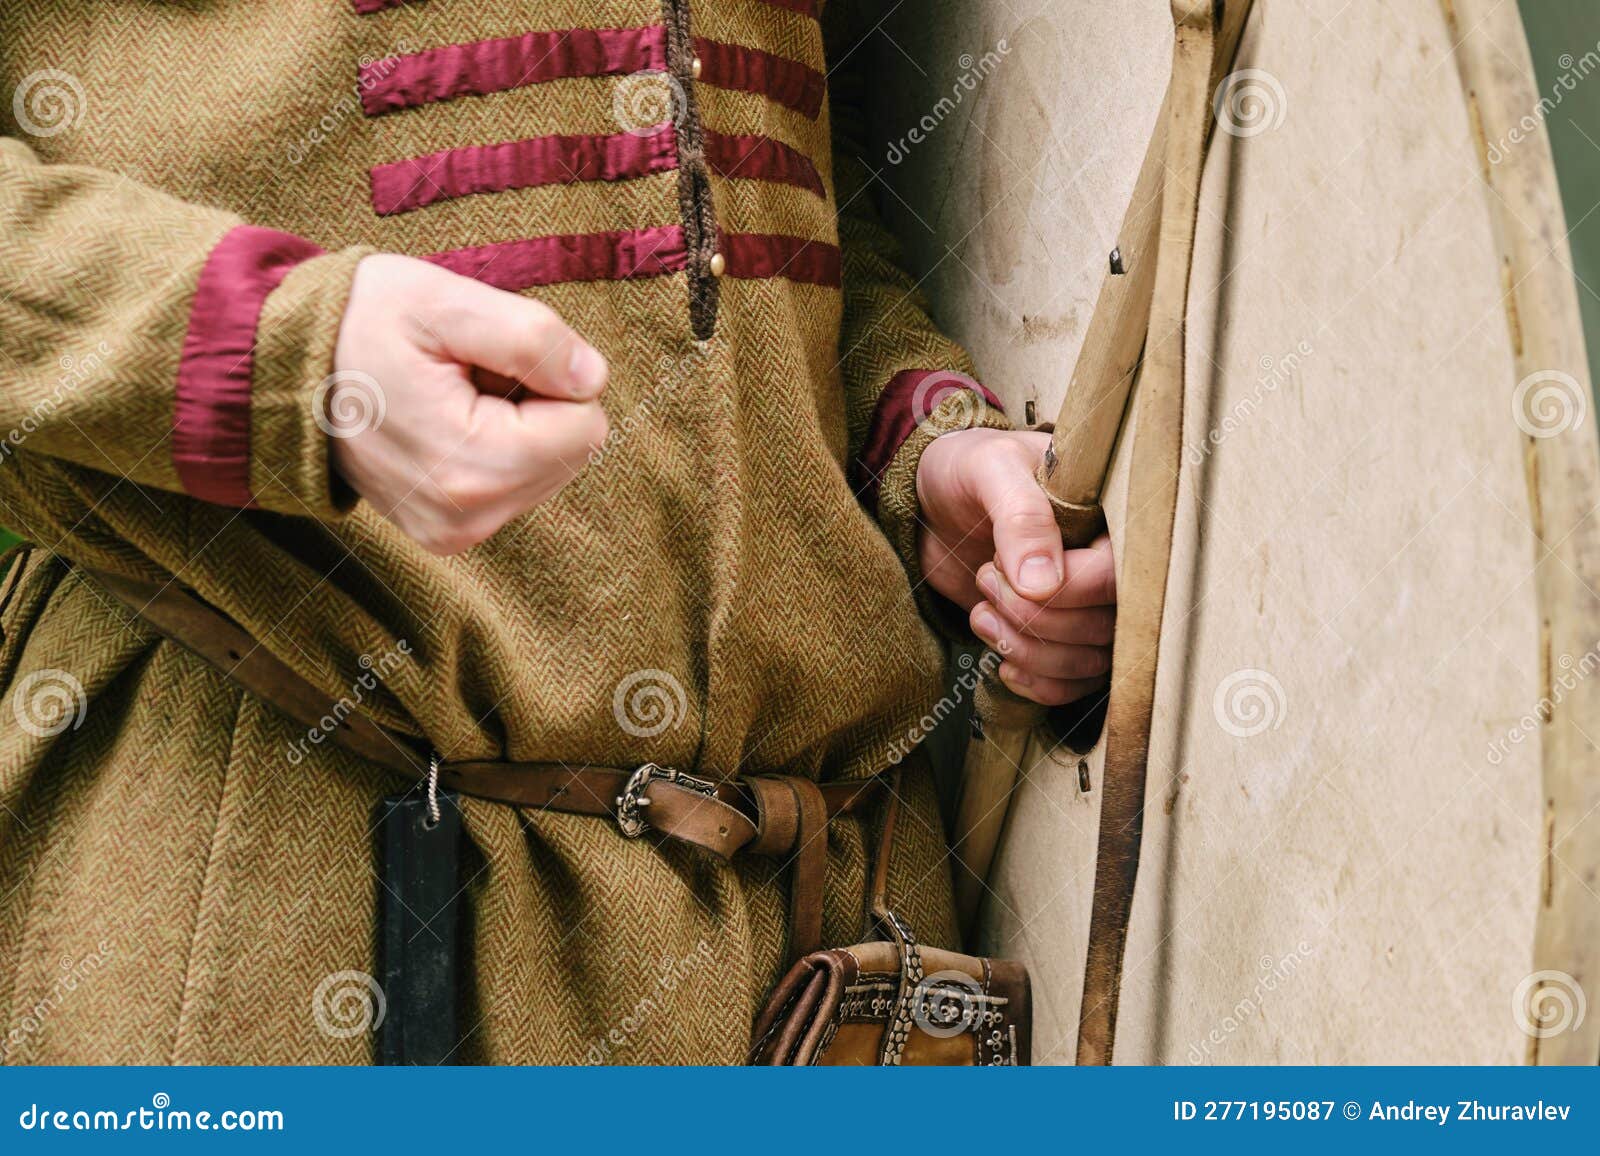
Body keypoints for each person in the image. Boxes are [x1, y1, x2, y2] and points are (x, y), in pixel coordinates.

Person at [0, 0, 1114, 1063]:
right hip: (284, 882)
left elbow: (784, 151)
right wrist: (287, 353)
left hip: (825, 925)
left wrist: (913, 441)